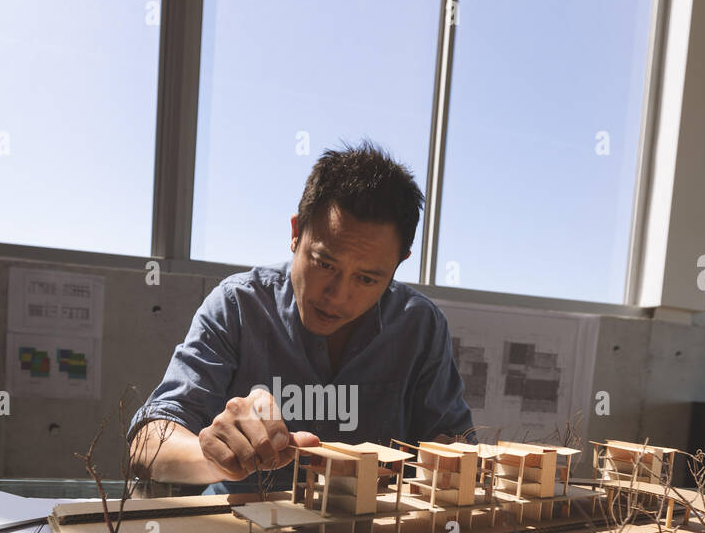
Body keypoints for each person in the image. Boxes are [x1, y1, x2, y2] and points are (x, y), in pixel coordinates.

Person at [128, 140, 473, 494]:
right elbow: (146, 446)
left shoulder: (420, 326)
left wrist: (450, 460)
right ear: (296, 233)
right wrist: (219, 457)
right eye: (325, 264)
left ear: (399, 265)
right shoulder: (239, 306)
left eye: (367, 279)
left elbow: (455, 443)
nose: (338, 296)